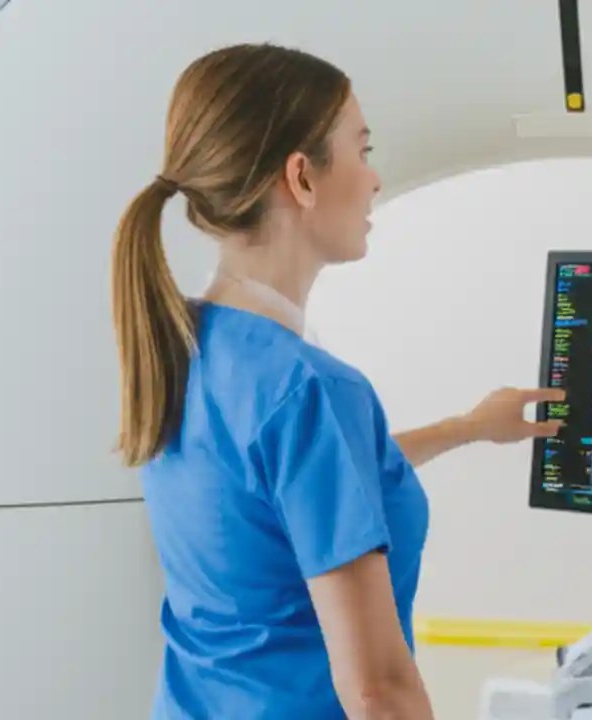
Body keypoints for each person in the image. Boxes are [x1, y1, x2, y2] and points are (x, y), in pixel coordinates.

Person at [109, 43, 562, 719]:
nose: (375, 178)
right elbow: (378, 690)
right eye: (363, 149)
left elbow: (290, 493)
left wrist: (467, 428)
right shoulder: (311, 387)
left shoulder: (186, 347)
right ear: (303, 177)